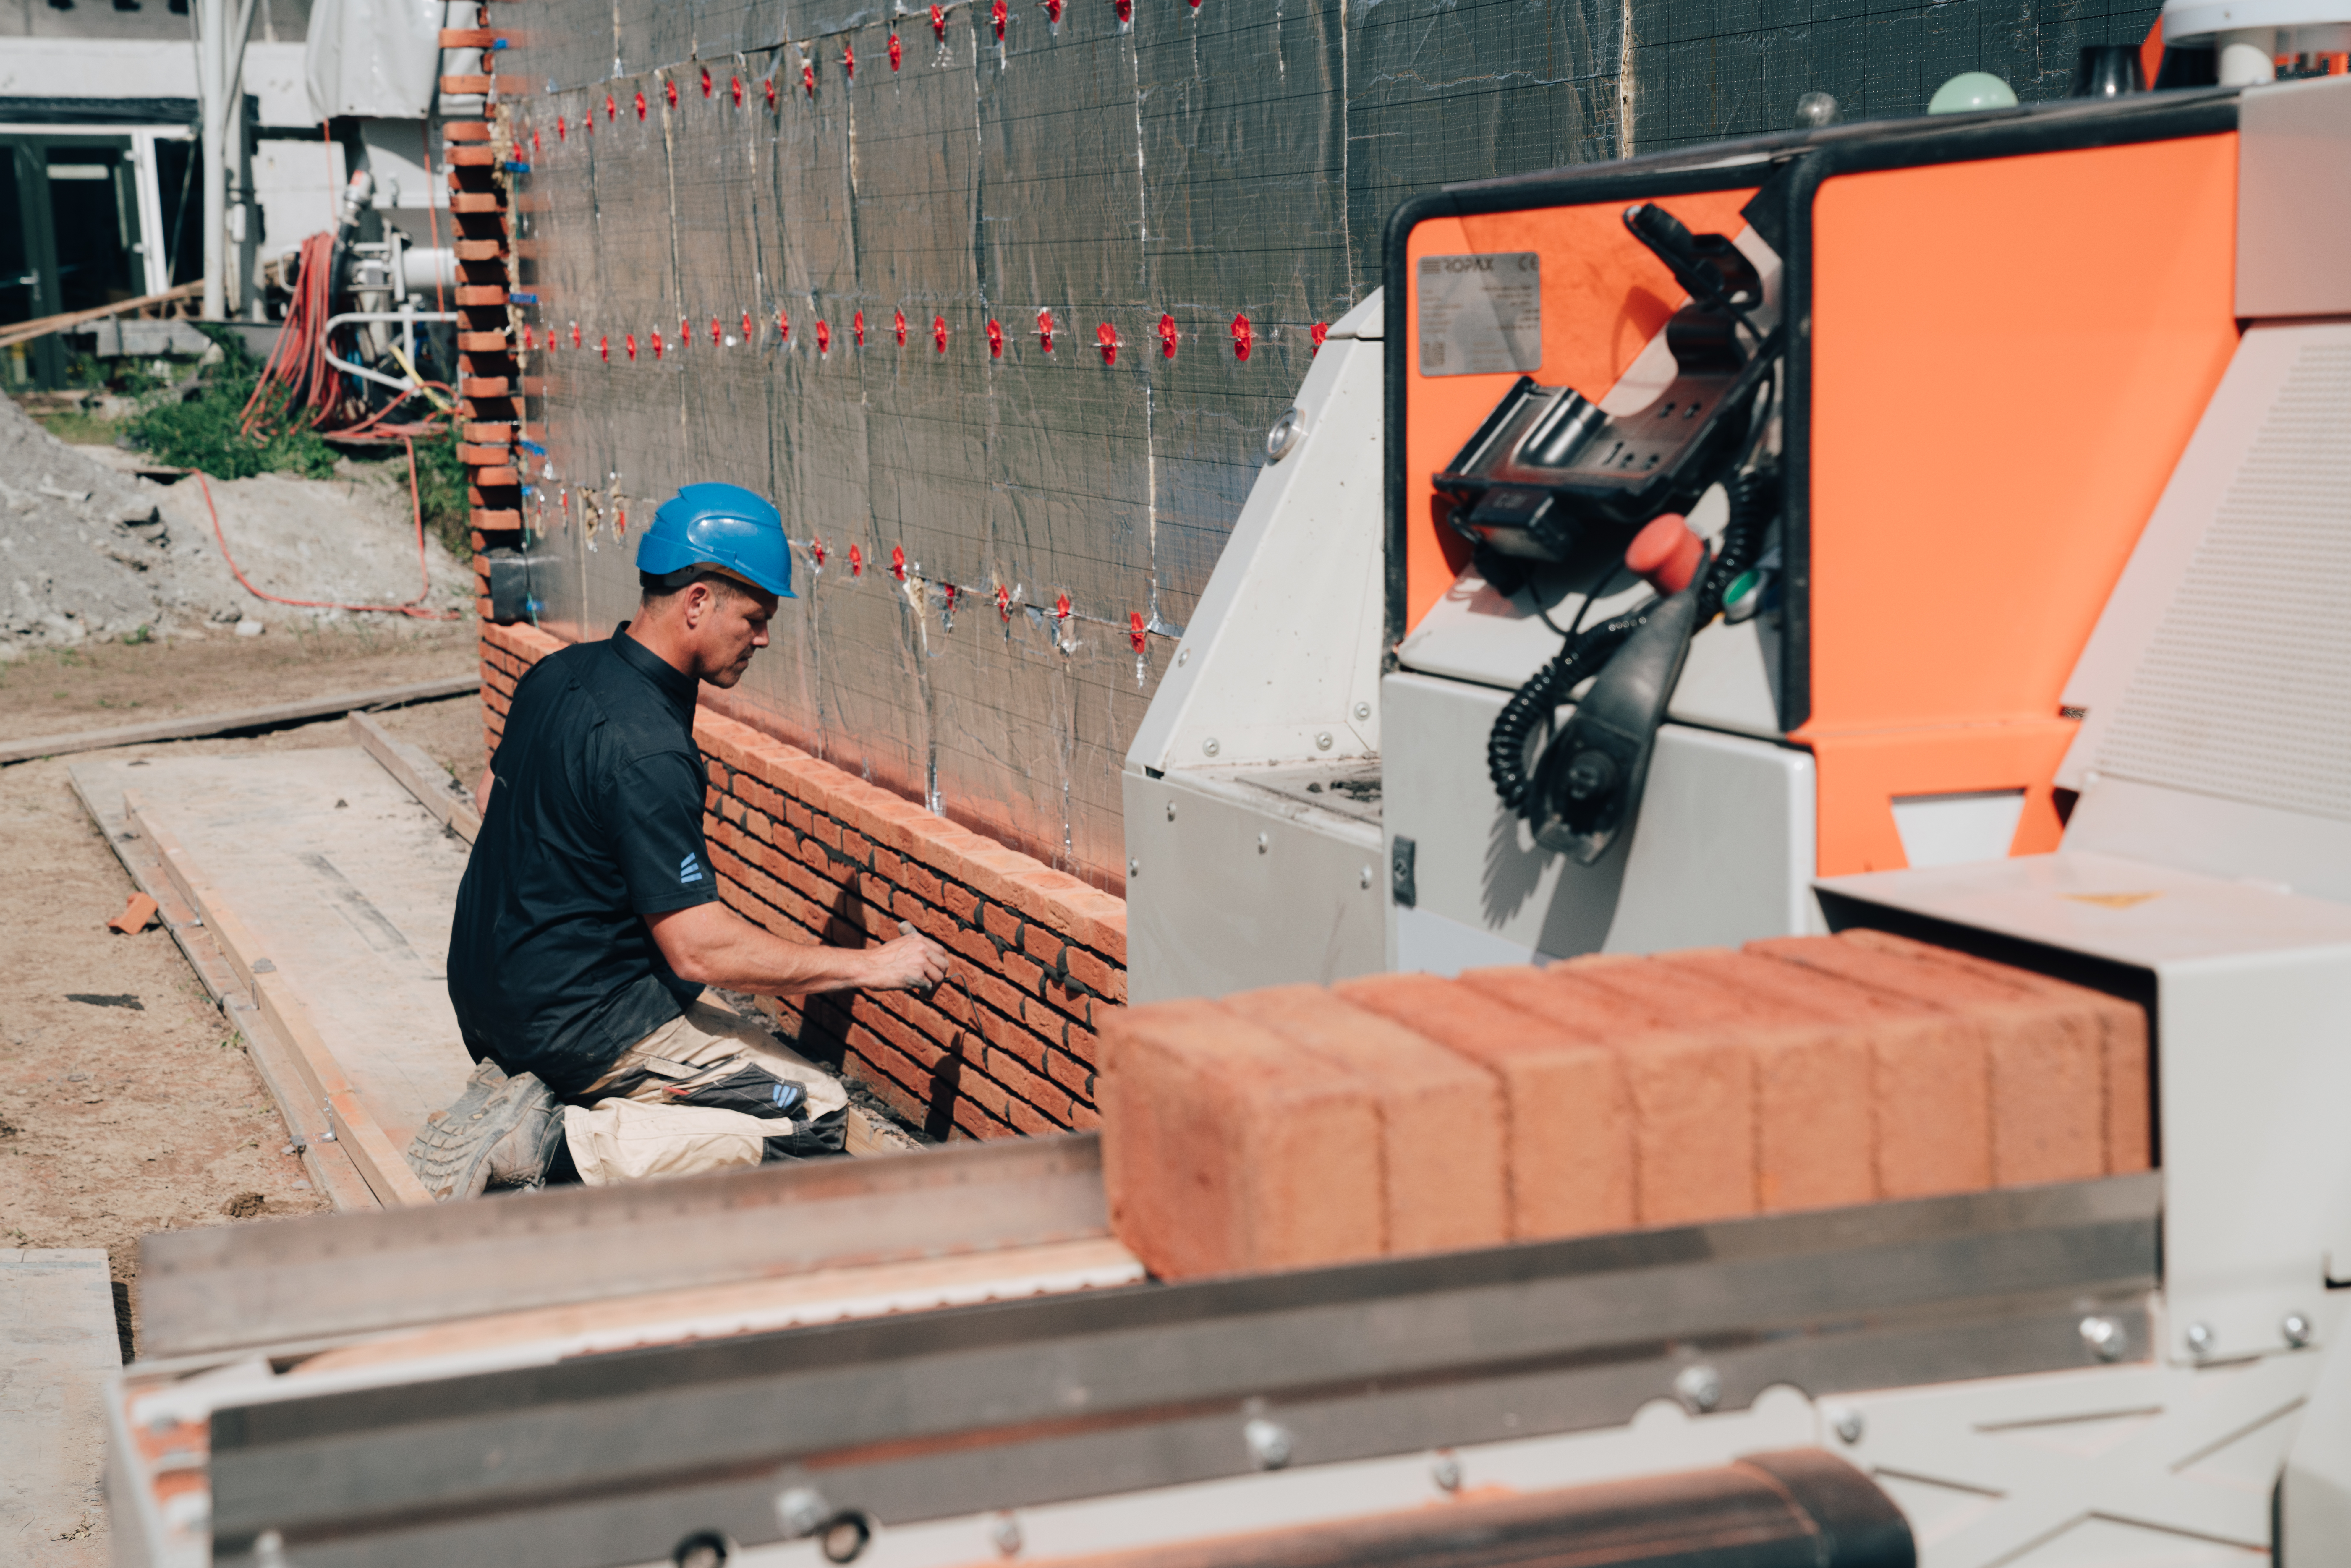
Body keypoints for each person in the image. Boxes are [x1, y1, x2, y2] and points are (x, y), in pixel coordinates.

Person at [409, 482, 949, 1200]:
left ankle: (545, 1096)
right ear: (698, 602)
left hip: (485, 999)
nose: (762, 638)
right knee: (812, 1117)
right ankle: (553, 1143)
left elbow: (489, 798)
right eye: (755, 618)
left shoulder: (557, 673)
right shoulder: (650, 750)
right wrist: (872, 966)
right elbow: (699, 948)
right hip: (578, 1028)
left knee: (727, 1056)